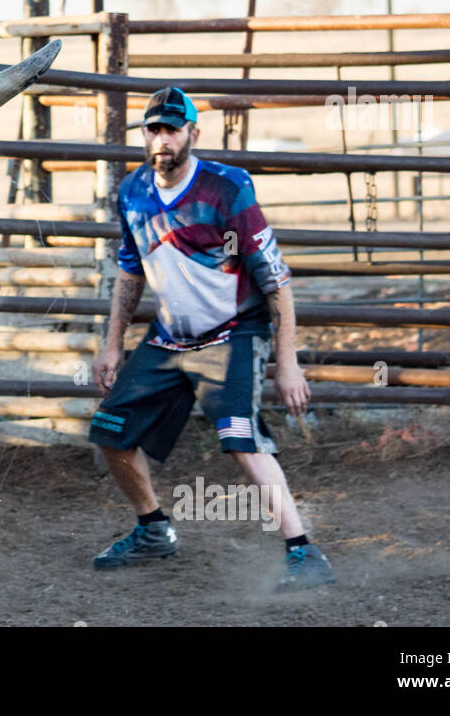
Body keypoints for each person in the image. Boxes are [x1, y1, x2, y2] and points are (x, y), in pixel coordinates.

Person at [88, 87, 335, 592]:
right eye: (153, 129)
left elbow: (277, 280)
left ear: (193, 134)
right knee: (110, 429)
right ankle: (154, 529)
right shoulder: (133, 191)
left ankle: (304, 550)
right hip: (170, 338)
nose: (162, 138)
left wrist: (286, 362)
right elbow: (130, 274)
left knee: (240, 439)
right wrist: (113, 343)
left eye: (172, 128)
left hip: (234, 333)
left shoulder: (228, 188)